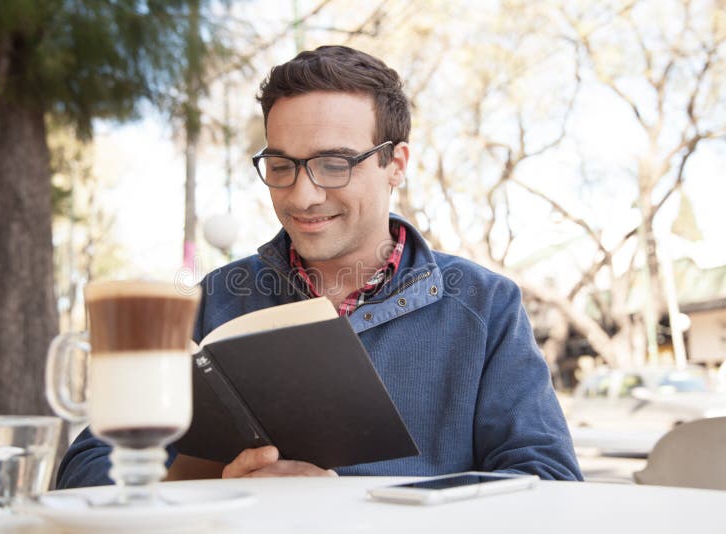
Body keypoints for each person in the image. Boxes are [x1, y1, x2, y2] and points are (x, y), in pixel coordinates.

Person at [57, 45, 582, 488]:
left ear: (395, 164)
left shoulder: (485, 305)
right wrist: (205, 486)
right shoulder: (213, 299)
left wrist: (352, 504)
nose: (303, 196)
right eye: (281, 166)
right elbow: (85, 466)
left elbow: (550, 481)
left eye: (334, 164)